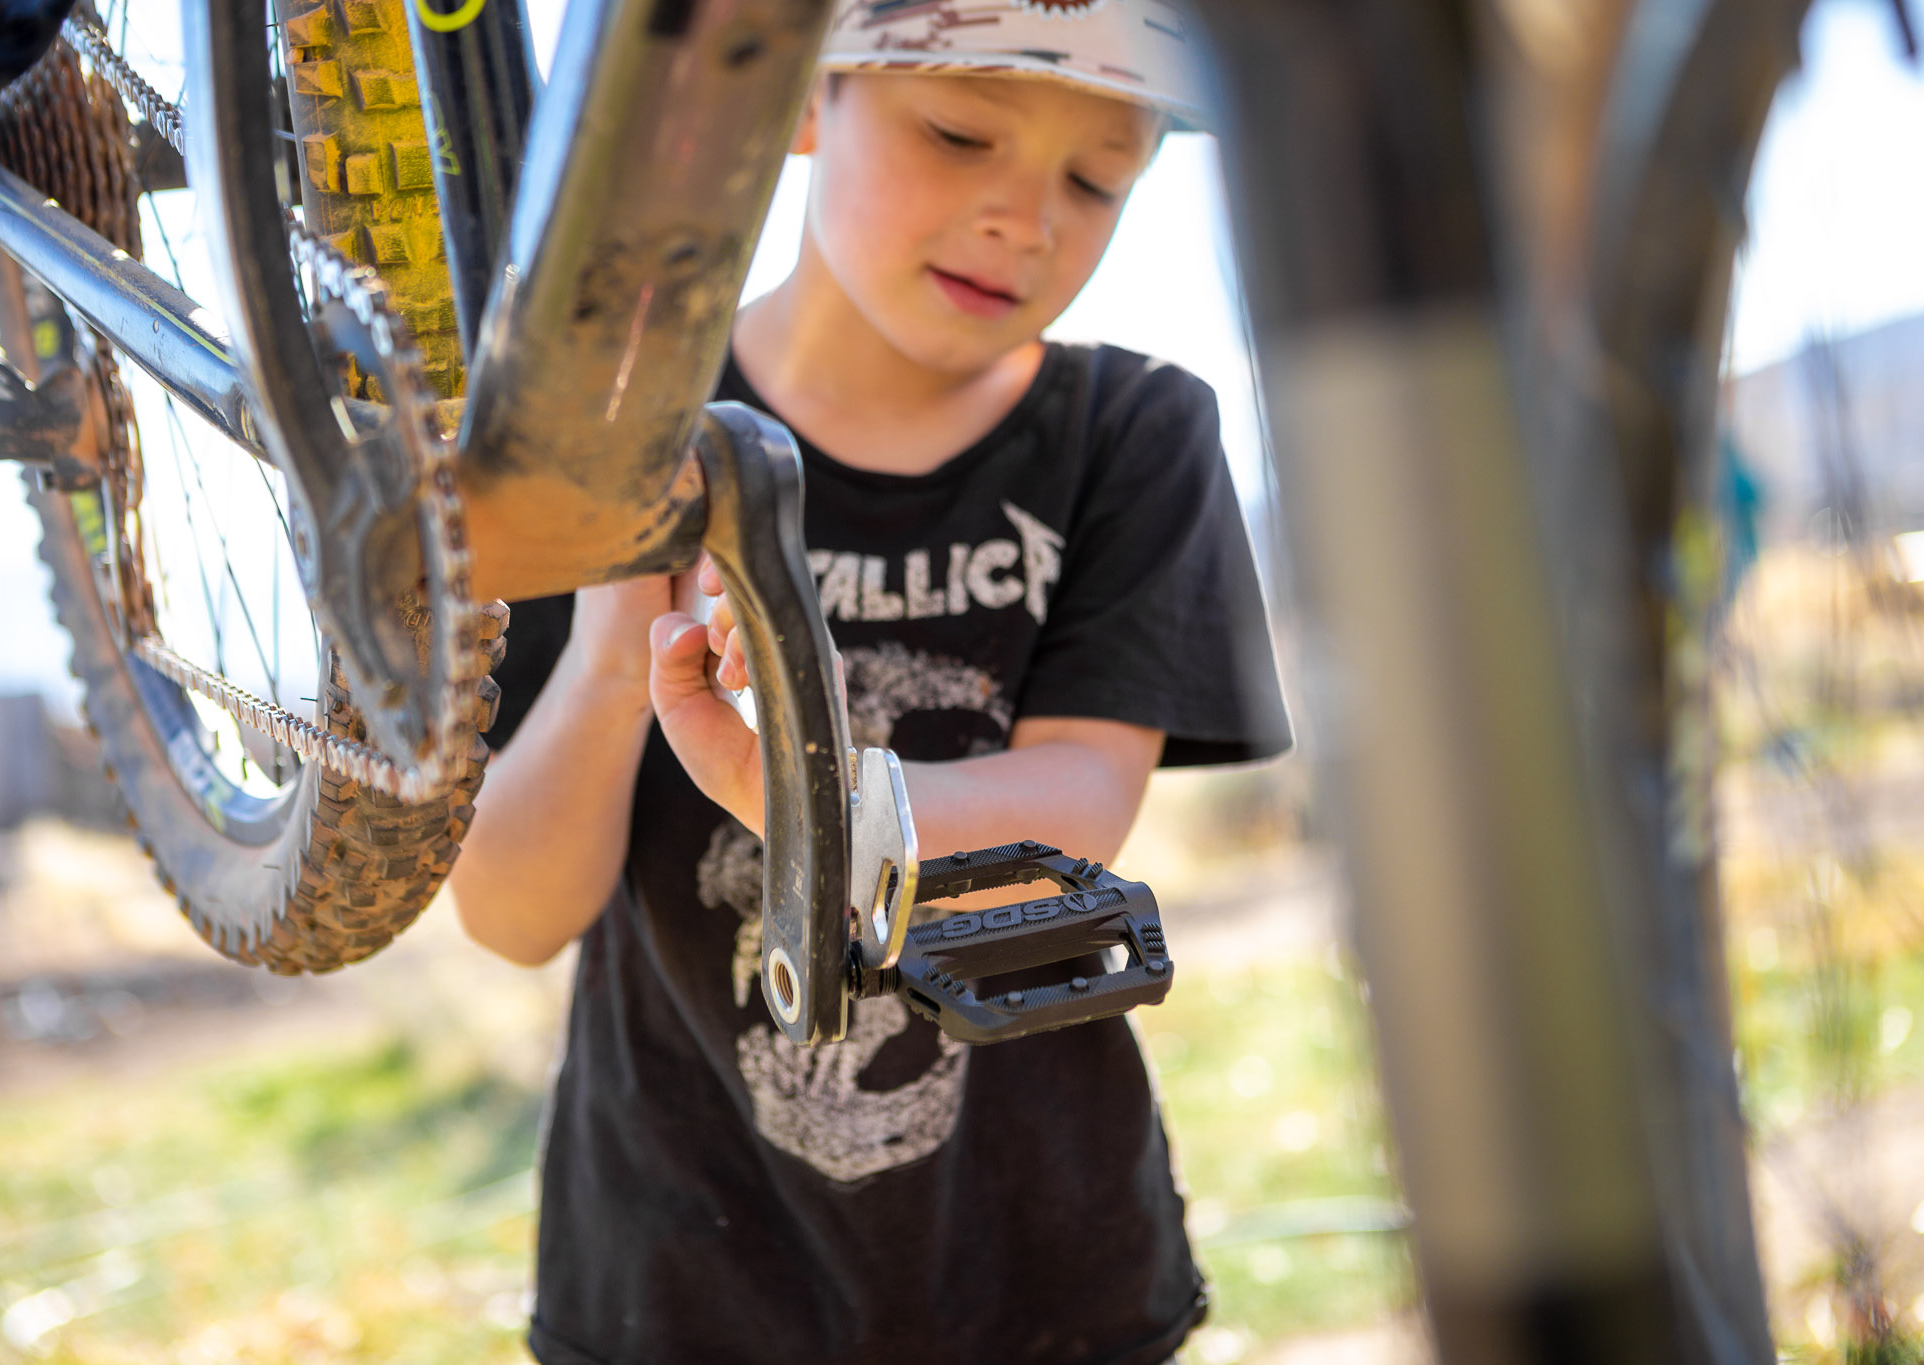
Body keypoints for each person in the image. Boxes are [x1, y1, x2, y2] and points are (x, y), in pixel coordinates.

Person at [448, 3, 1293, 1361]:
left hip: (1043, 1272)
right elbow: (512, 912)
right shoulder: (611, 434)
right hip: (680, 1280)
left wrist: (803, 795)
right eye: (959, 132)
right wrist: (617, 648)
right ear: (801, 100)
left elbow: (1078, 807)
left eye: (1098, 177)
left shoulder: (1133, 435)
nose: (1026, 218)